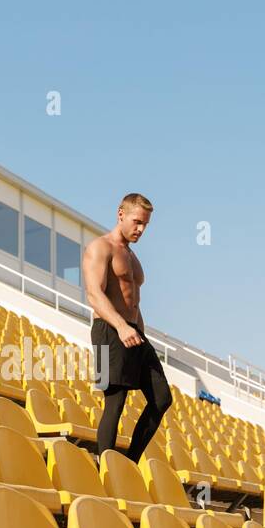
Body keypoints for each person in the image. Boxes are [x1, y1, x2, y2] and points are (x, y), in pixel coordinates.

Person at [82, 192, 172, 461]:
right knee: (115, 402)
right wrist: (121, 326)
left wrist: (138, 332)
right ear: (121, 214)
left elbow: (134, 302)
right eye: (137, 222)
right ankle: (106, 471)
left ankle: (130, 463)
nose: (141, 229)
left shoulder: (132, 258)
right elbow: (94, 294)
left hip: (134, 332)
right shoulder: (100, 247)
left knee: (162, 398)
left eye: (145, 225)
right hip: (108, 330)